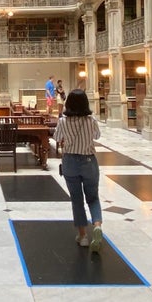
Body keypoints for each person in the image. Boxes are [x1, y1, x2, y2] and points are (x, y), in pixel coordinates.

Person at [53, 87, 104, 253]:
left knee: (77, 199)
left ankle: (83, 236)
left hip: (70, 162)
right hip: (89, 161)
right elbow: (97, 136)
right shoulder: (91, 121)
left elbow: (56, 138)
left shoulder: (63, 121)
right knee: (93, 198)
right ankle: (97, 225)